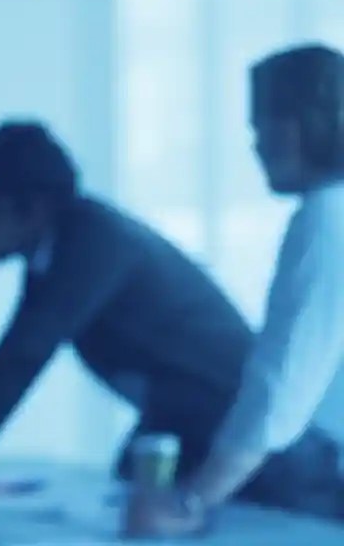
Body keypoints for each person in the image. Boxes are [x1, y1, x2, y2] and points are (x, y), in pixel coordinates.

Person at [0, 121, 334, 513]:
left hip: (261, 459)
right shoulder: (59, 247)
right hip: (195, 433)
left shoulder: (93, 243)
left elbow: (23, 361)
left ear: (28, 208)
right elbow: (11, 355)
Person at [139, 45, 344, 536]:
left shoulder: (326, 218)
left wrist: (190, 502)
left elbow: (282, 386)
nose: (255, 147)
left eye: (260, 127)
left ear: (296, 126)